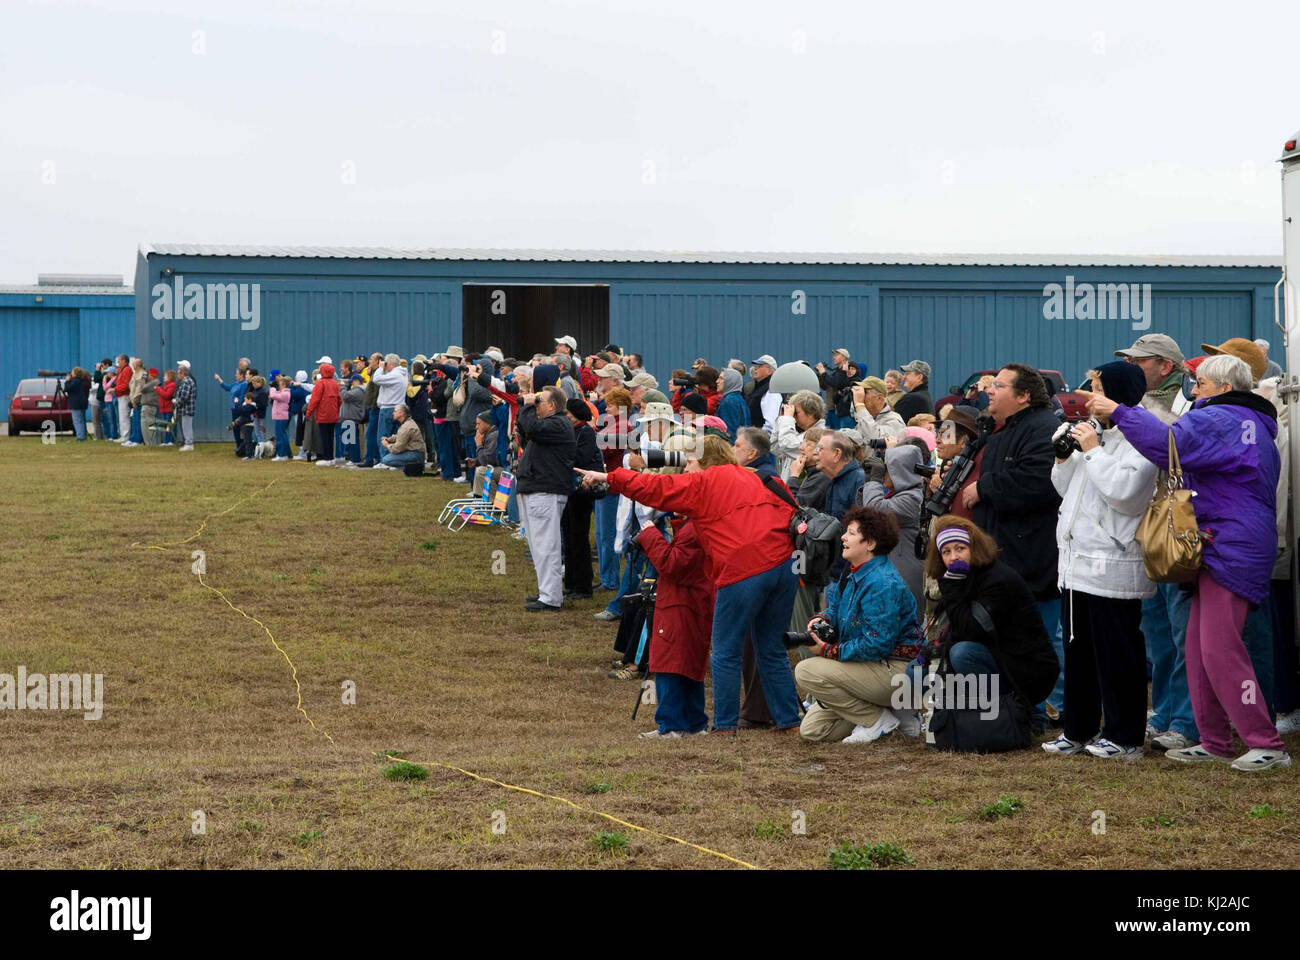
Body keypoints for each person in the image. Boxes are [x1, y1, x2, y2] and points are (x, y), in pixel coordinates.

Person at [1094, 353, 1291, 771]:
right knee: (1199, 647)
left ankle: (1265, 742)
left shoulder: (1223, 419)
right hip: (1223, 540)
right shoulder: (1247, 422)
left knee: (1220, 648)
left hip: (1229, 544)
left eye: (1199, 383)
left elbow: (1169, 443)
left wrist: (1120, 412)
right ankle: (1214, 739)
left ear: (1222, 387)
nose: (1193, 390)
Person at [574, 435, 805, 734]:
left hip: (743, 568)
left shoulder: (705, 482)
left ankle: (724, 726)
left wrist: (608, 476)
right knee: (771, 647)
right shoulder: (763, 478)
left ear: (703, 462)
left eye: (690, 462)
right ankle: (789, 721)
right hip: (784, 565)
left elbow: (654, 488)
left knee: (725, 651)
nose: (686, 470)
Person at [1042, 361, 1157, 760]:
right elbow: (1067, 490)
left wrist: (1090, 450)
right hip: (1077, 562)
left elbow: (1125, 493)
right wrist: (1064, 459)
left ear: (1117, 392)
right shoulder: (1102, 433)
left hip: (1114, 561)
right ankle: (1079, 729)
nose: (1087, 394)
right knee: (1078, 652)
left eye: (1095, 387)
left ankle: (1125, 738)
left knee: (1117, 654)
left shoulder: (1142, 435)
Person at [964, 363, 1064, 720]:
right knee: (1011, 636)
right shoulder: (1004, 430)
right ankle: (1020, 702)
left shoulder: (1044, 429)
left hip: (1033, 557)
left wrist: (985, 487)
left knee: (1042, 635)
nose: (989, 390)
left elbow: (1039, 481)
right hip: (1005, 554)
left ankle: (1053, 705)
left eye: (999, 386)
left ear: (1023, 396)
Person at [1116, 333, 1197, 750]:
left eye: (1140, 362)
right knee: (1158, 635)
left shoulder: (1190, 409)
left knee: (1183, 632)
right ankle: (1164, 710)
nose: (1132, 368)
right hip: (1143, 533)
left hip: (1176, 532)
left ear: (1165, 367)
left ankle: (1186, 719)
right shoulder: (1128, 409)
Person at [794, 506, 922, 743]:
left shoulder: (883, 582)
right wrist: (822, 619)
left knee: (806, 671)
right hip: (870, 667)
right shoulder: (853, 572)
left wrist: (828, 651)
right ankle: (893, 714)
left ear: (870, 544)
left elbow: (877, 643)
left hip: (894, 670)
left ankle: (877, 720)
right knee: (812, 731)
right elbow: (837, 609)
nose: (843, 537)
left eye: (851, 533)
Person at [922, 515, 1060, 726]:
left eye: (960, 548)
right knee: (917, 672)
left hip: (1025, 668)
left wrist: (952, 590)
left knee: (962, 654)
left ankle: (1004, 716)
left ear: (973, 547)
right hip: (995, 655)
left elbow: (971, 630)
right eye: (946, 552)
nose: (954, 557)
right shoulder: (958, 577)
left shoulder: (996, 579)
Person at [517, 386, 577, 612]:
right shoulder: (550, 426)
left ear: (552, 406)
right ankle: (547, 592)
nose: (536, 404)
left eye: (540, 401)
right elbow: (528, 433)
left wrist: (527, 405)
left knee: (546, 546)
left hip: (545, 491)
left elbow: (531, 427)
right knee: (538, 546)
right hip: (539, 488)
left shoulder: (557, 424)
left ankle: (551, 597)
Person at [859, 443, 926, 609]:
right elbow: (863, 515)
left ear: (899, 472)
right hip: (893, 569)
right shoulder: (898, 494)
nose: (884, 473)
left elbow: (874, 512)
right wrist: (870, 480)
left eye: (887, 469)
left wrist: (874, 481)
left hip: (905, 574)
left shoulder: (912, 498)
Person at [560, 397, 605, 600]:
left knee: (579, 538)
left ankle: (583, 586)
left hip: (582, 492)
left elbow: (582, 459)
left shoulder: (587, 433)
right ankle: (570, 582)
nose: (566, 418)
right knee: (568, 538)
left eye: (569, 415)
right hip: (570, 490)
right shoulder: (573, 431)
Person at [772, 390, 827, 480]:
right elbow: (775, 448)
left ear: (810, 413)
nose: (793, 417)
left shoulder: (819, 435)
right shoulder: (799, 434)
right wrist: (781, 420)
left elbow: (787, 445)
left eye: (796, 413)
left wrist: (787, 419)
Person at [305, 362, 341, 466]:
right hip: (333, 414)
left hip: (323, 414)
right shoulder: (335, 383)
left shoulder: (320, 383)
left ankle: (326, 458)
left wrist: (308, 413)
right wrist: (336, 410)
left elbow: (314, 400)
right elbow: (339, 400)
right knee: (330, 436)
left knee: (324, 436)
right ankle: (331, 458)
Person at [850, 377, 907, 442]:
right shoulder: (867, 418)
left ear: (879, 397)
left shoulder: (894, 420)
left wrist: (860, 405)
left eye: (865, 392)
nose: (861, 395)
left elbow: (875, 439)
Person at [376, 404, 426, 471]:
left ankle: (410, 467)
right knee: (389, 458)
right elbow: (399, 436)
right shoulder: (408, 422)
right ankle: (412, 466)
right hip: (417, 453)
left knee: (386, 460)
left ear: (401, 414)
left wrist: (386, 445)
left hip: (415, 454)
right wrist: (389, 439)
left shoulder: (405, 427)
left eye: (395, 411)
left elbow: (397, 449)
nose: (393, 413)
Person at [816, 349, 854, 428]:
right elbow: (825, 386)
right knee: (830, 436)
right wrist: (820, 374)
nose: (834, 357)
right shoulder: (836, 371)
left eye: (836, 355)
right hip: (831, 409)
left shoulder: (849, 369)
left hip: (843, 411)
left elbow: (836, 383)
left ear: (844, 357)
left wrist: (823, 372)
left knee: (841, 437)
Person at [746, 354, 782, 435]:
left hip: (759, 441)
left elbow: (771, 424)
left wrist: (759, 440)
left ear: (770, 370)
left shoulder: (772, 390)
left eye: (759, 366)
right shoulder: (759, 388)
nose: (755, 368)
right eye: (755, 366)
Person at [339, 373, 367, 467]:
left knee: (352, 441)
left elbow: (346, 396)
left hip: (352, 417)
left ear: (357, 381)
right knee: (348, 440)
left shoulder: (359, 390)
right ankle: (351, 458)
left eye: (353, 381)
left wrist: (342, 387)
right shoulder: (356, 390)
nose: (352, 383)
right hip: (349, 417)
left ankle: (355, 459)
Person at [715, 368, 750, 441]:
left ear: (730, 381)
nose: (717, 381)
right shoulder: (739, 399)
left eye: (721, 378)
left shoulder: (729, 401)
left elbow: (728, 433)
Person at [61, 368, 90, 441]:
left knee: (77, 420)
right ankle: (83, 435)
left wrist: (67, 381)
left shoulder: (75, 381)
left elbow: (67, 388)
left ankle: (80, 437)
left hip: (76, 403)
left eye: (72, 372)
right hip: (81, 403)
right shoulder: (80, 380)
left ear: (75, 373)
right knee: (81, 420)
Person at [269, 375, 292, 461]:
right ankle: (285, 453)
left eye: (280, 384)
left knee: (279, 436)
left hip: (281, 417)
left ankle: (281, 454)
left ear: (284, 384)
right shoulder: (282, 393)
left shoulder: (286, 393)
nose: (279, 385)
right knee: (283, 435)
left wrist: (272, 388)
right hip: (280, 416)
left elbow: (273, 396)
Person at [174, 362, 196, 451]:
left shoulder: (187, 382)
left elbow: (184, 397)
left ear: (183, 373)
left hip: (187, 409)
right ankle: (188, 443)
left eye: (178, 373)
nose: (177, 375)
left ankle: (189, 444)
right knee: (186, 426)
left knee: (187, 427)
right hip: (186, 409)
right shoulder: (186, 381)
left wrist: (176, 402)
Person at [113, 353, 133, 445]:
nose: (118, 362)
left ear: (124, 361)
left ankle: (126, 436)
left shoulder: (127, 370)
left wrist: (115, 389)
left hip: (124, 395)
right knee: (121, 416)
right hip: (120, 395)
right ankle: (123, 435)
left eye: (119, 360)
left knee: (124, 416)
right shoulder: (123, 370)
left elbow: (126, 385)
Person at [156, 370, 176, 445]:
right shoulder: (166, 386)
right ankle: (166, 441)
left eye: (165, 376)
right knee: (165, 425)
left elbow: (167, 395)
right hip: (164, 408)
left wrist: (158, 389)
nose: (164, 377)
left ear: (170, 377)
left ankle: (169, 441)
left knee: (169, 424)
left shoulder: (172, 385)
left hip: (169, 408)